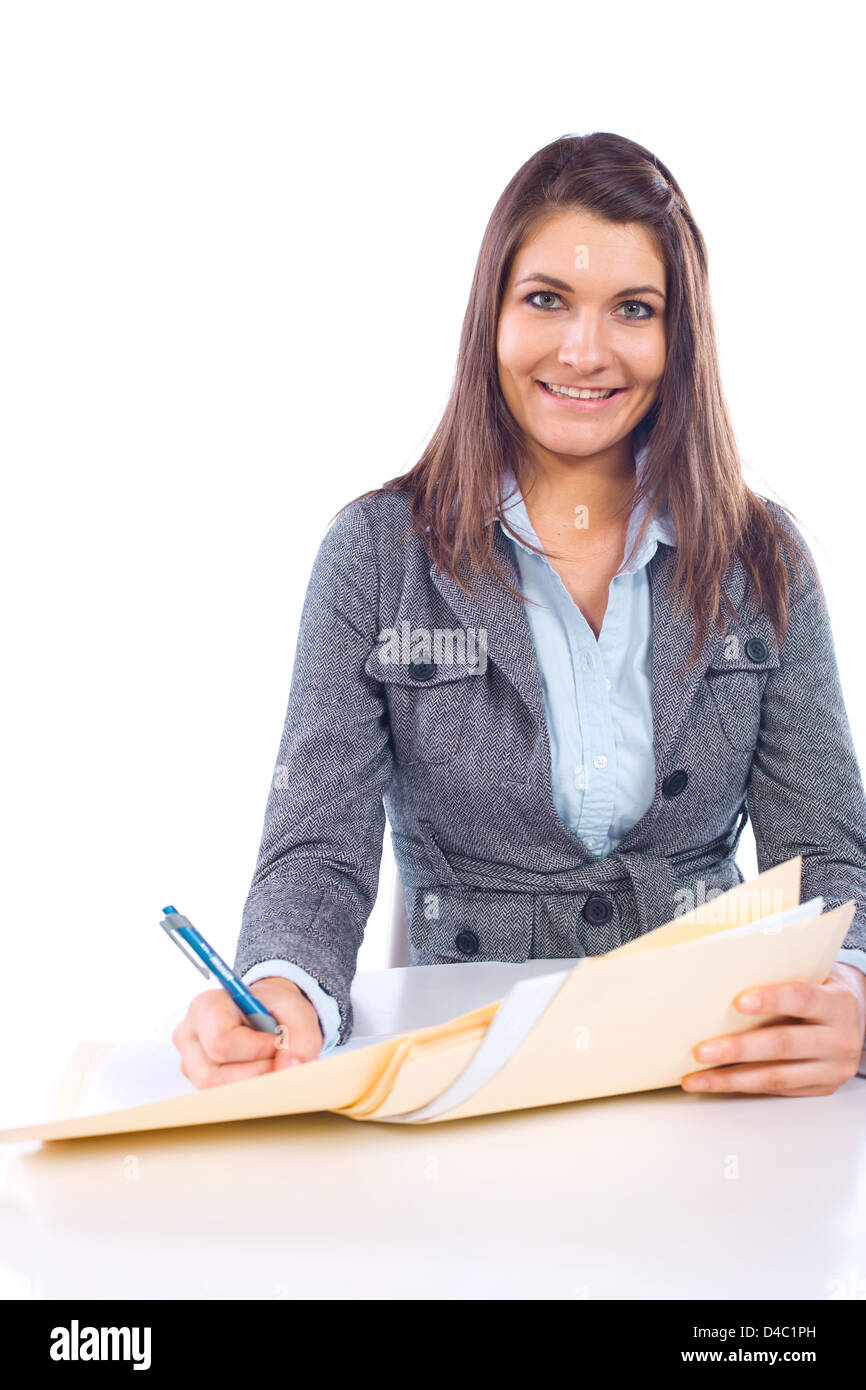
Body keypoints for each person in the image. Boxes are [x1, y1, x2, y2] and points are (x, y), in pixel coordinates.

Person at [172, 131, 866, 1096]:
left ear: (681, 338)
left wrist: (849, 991)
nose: (585, 352)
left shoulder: (763, 558)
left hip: (704, 1069)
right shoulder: (374, 556)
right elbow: (315, 858)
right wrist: (282, 990)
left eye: (634, 309)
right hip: (462, 1071)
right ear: (491, 316)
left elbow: (828, 856)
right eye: (547, 300)